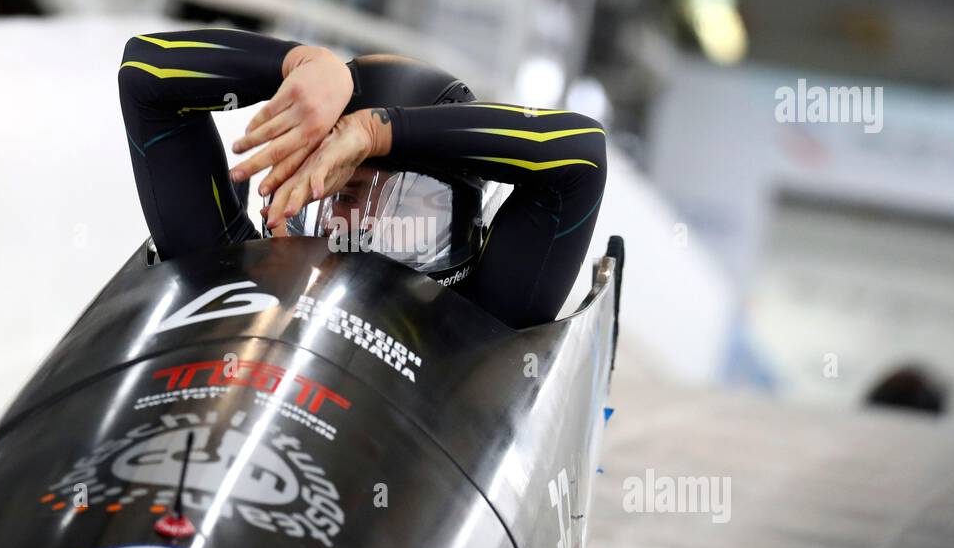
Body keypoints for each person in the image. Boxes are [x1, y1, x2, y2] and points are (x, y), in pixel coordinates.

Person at [117, 28, 607, 329]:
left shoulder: (486, 315)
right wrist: (297, 64)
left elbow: (581, 156)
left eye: (405, 207)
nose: (363, 229)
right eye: (339, 191)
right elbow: (145, 73)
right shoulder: (228, 268)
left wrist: (375, 133)